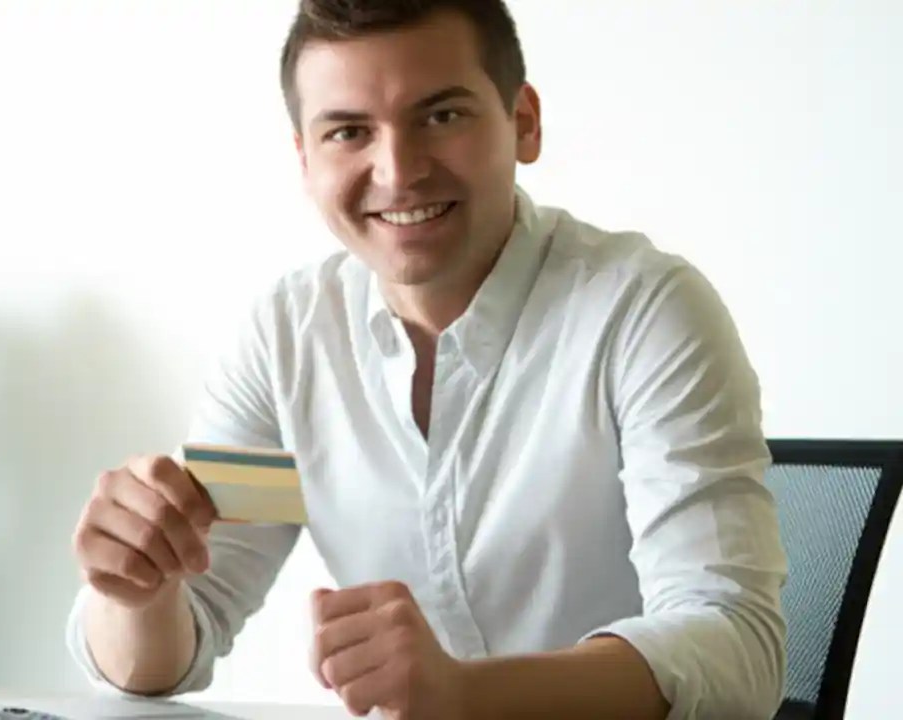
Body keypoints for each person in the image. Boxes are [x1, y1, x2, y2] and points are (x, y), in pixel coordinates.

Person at [65, 1, 788, 718]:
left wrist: (467, 695)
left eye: (441, 116)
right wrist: (139, 589)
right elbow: (179, 639)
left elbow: (736, 648)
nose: (398, 171)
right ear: (306, 160)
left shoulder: (644, 313)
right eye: (349, 131)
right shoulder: (291, 342)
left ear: (524, 122)